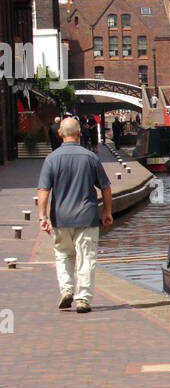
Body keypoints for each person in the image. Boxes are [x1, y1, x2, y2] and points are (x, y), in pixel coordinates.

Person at [37, 117, 114, 313]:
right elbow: (105, 187)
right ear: (79, 133)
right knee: (86, 257)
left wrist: (43, 217)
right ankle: (83, 299)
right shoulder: (90, 158)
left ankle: (66, 290)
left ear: (60, 134)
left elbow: (43, 190)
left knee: (64, 255)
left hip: (60, 217)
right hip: (87, 217)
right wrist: (107, 212)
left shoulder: (51, 159)